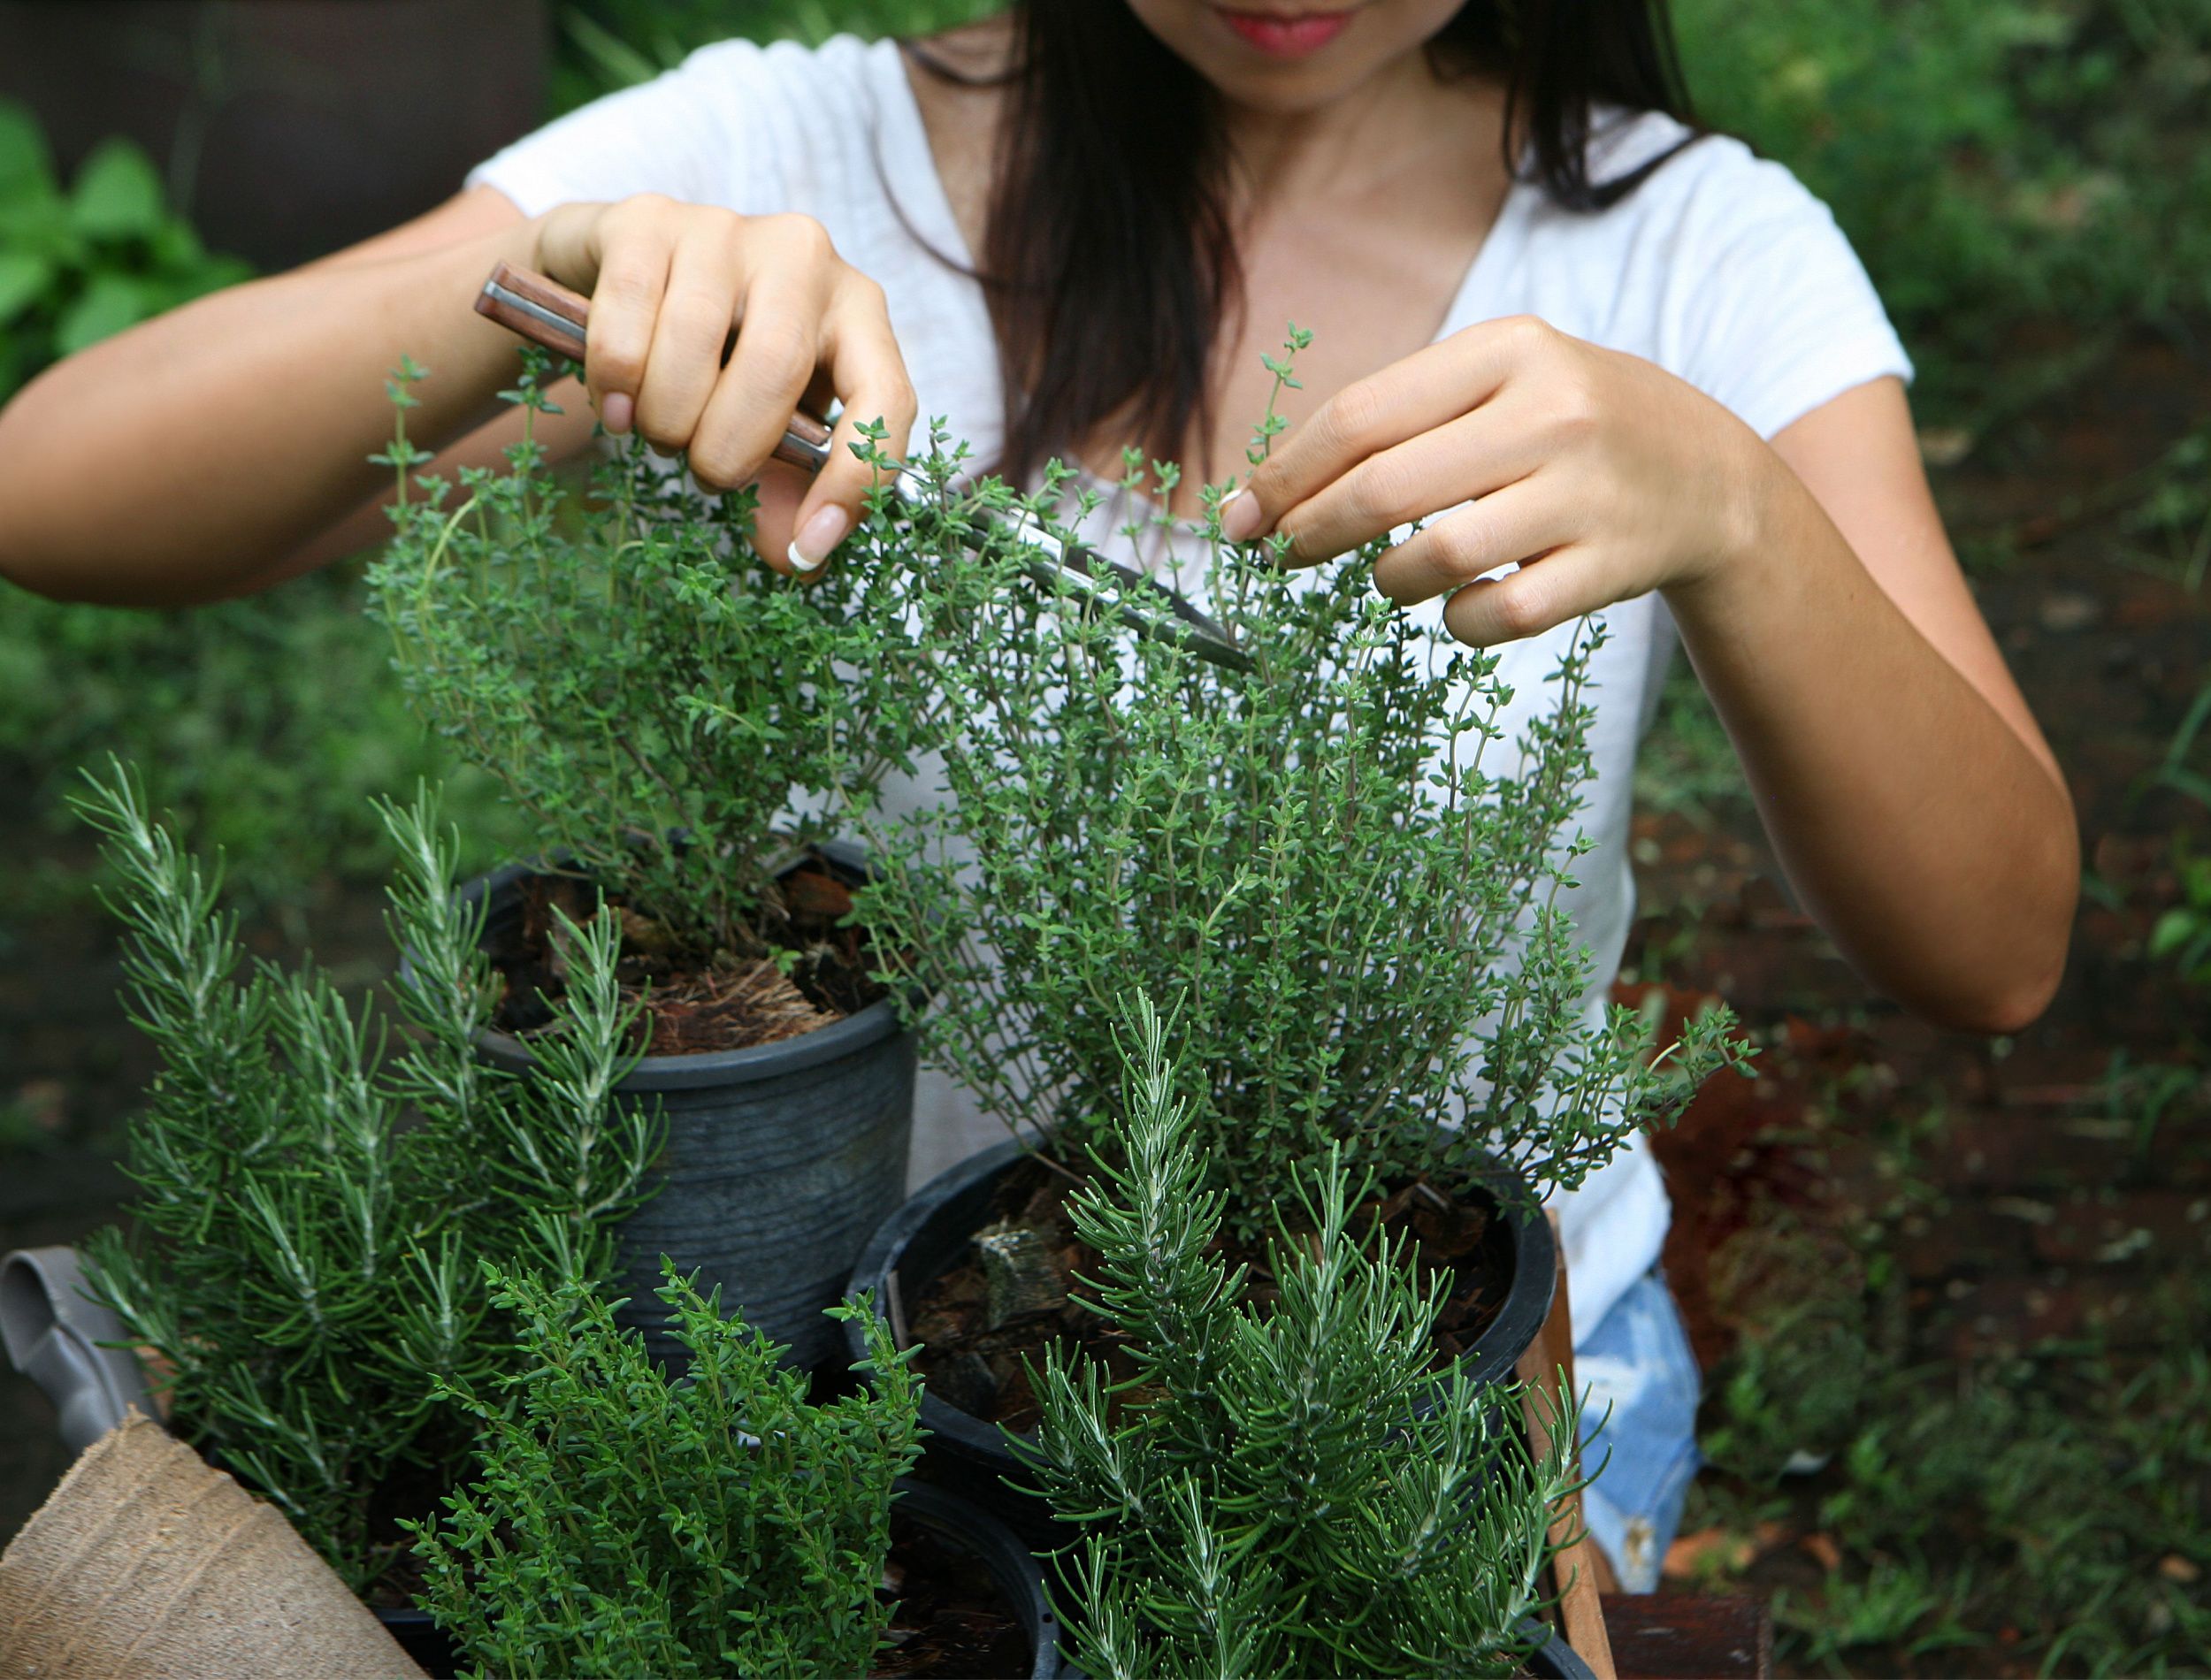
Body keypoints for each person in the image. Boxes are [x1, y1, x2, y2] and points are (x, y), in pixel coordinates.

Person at [0, 2, 2075, 1591]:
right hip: (821, 1373)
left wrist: (1736, 506)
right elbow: (54, 490)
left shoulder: (1694, 255)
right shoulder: (796, 152)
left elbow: (1991, 941)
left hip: (1433, 1393)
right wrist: (544, 273)